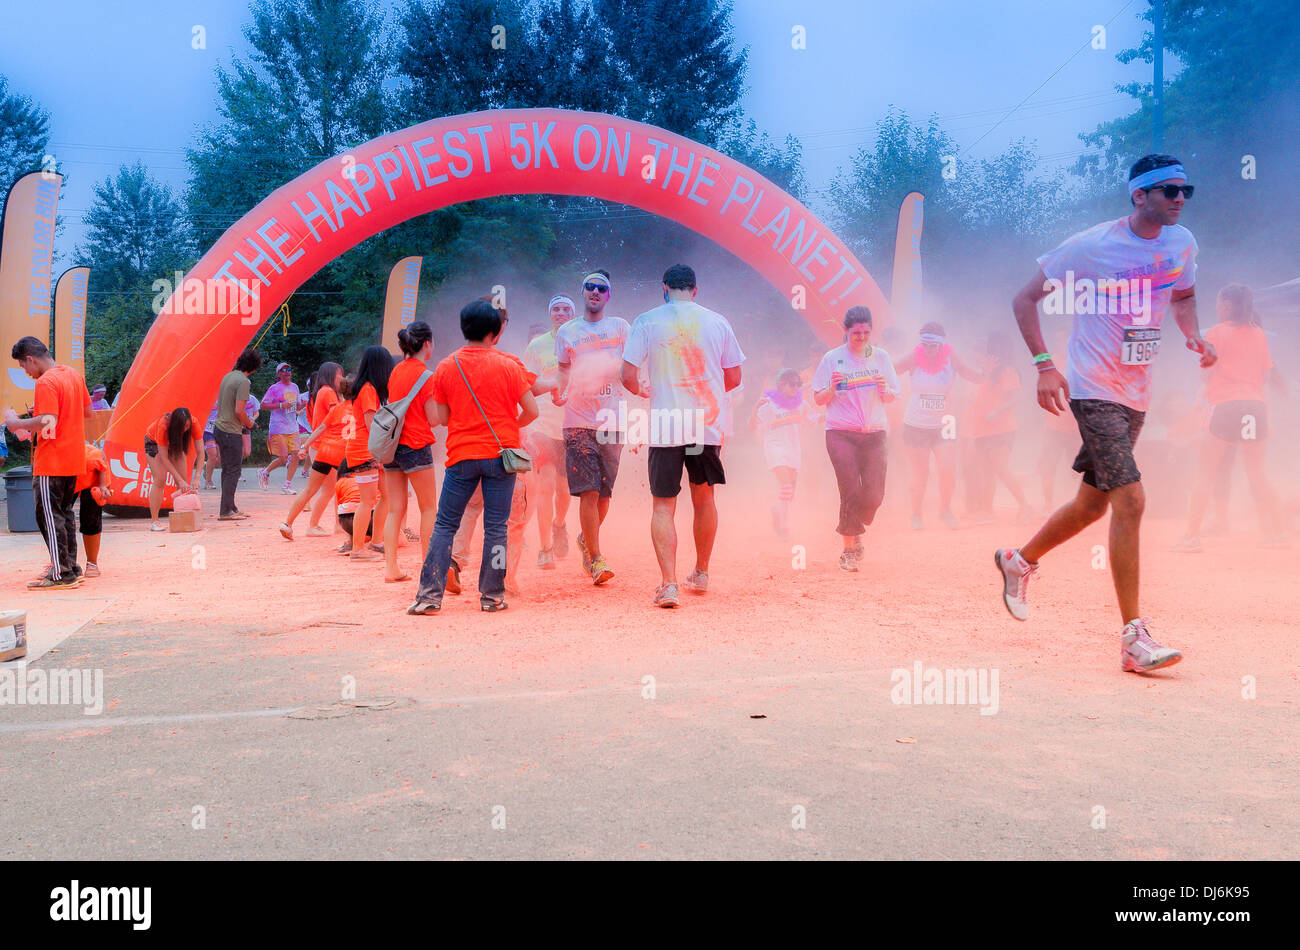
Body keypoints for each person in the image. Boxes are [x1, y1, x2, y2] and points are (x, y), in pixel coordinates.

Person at [996, 153, 1214, 674]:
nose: (1180, 198)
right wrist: (1046, 366)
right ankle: (1134, 641)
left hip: (1137, 392)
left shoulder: (1182, 244)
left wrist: (1192, 333)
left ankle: (1018, 560)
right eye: (1169, 190)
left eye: (1186, 190)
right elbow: (1025, 300)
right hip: (1093, 388)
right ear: (1139, 195)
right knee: (1132, 501)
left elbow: (1183, 296)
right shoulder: (1091, 246)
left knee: (1091, 506)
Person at [620, 263, 745, 607]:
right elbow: (734, 377)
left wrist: (646, 390)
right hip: (706, 423)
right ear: (695, 289)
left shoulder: (646, 321)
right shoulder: (717, 321)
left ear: (664, 288)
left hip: (666, 423)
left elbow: (626, 375)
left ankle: (669, 584)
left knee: (663, 504)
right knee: (704, 500)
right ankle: (701, 572)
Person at [408, 300, 538, 614]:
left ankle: (428, 596)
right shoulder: (508, 365)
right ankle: (492, 596)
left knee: (444, 526)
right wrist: (507, 426)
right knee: (497, 527)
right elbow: (532, 411)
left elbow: (440, 416)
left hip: (461, 455)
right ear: (495, 332)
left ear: (463, 329)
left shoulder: (446, 366)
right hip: (500, 456)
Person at [1175, 284, 1286, 551]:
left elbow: (1206, 373)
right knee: (1257, 474)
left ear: (1226, 304)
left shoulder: (1217, 333)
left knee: (1205, 473)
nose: (1215, 307)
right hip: (1254, 407)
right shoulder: (1259, 334)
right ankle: (1276, 534)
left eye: (1217, 302)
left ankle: (1191, 537)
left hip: (1226, 406)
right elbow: (1266, 376)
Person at [554, 270, 630, 585]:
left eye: (601, 288)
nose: (595, 292)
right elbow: (562, 371)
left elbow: (633, 365)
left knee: (605, 493)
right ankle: (596, 559)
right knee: (589, 489)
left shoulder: (622, 328)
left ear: (608, 295)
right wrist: (560, 392)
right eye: (589, 287)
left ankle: (587, 539)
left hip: (612, 421)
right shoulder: (568, 332)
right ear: (583, 292)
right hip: (577, 421)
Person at [811, 306, 900, 572]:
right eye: (855, 332)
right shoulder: (833, 358)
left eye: (865, 332)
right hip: (840, 433)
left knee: (874, 495)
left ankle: (856, 527)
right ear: (846, 331)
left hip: (875, 434)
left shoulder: (880, 357)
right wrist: (831, 388)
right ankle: (848, 550)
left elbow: (892, 395)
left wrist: (885, 390)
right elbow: (817, 399)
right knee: (849, 489)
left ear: (871, 332)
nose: (861, 337)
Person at [4, 337, 92, 589]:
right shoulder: (73, 375)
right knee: (64, 514)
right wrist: (44, 412)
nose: (27, 373)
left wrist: (17, 424)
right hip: (74, 457)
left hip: (52, 459)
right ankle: (71, 567)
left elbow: (48, 421)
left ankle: (61, 573)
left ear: (30, 359)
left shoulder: (46, 381)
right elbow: (87, 412)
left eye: (23, 367)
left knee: (48, 517)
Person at [892, 322, 982, 530]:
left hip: (944, 423)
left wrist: (989, 371)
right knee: (921, 474)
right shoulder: (913, 357)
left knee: (947, 469)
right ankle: (916, 514)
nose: (929, 349)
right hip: (915, 424)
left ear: (942, 345)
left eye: (933, 345)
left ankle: (945, 510)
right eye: (925, 344)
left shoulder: (953, 358)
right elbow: (890, 371)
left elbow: (974, 376)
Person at [384, 322, 440, 583]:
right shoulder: (426, 375)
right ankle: (427, 567)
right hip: (416, 445)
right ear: (426, 344)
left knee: (395, 510)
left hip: (392, 445)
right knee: (429, 508)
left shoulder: (396, 371)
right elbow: (433, 418)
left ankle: (391, 568)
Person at [521, 296, 575, 568]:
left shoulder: (581, 339)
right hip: (542, 426)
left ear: (573, 313)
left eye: (567, 309)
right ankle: (545, 549)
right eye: (556, 309)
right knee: (545, 486)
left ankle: (559, 524)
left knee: (564, 490)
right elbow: (525, 384)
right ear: (550, 313)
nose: (561, 313)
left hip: (573, 426)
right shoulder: (537, 346)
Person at [964, 331, 1031, 525]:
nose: (987, 350)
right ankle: (987, 511)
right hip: (982, 428)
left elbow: (1016, 398)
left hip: (1001, 428)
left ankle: (1025, 505)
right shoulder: (987, 370)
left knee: (1001, 469)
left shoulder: (1007, 370)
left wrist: (997, 411)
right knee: (986, 471)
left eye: (991, 346)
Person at [279, 362, 348, 542]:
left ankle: (333, 524)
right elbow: (336, 419)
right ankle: (313, 524)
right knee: (324, 489)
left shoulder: (323, 392)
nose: (342, 377)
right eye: (340, 374)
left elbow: (324, 423)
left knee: (328, 488)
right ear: (332, 375)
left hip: (322, 445)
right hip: (326, 446)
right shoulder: (329, 392)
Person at [749, 368, 815, 539]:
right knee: (786, 486)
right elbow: (751, 425)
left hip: (793, 448)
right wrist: (756, 407)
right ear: (781, 384)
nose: (796, 388)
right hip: (775, 447)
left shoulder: (801, 404)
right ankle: (784, 528)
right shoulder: (769, 404)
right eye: (792, 384)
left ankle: (778, 509)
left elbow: (814, 419)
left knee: (790, 491)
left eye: (798, 384)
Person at [341, 346, 392, 563]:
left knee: (386, 496)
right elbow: (372, 425)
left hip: (369, 452)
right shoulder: (369, 390)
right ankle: (357, 550)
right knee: (368, 500)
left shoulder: (365, 388)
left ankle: (377, 540)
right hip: (365, 452)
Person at [214, 348, 263, 520]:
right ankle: (226, 511)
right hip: (230, 430)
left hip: (220, 428)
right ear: (254, 367)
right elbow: (239, 410)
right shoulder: (243, 381)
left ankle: (230, 507)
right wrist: (250, 424)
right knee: (233, 470)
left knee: (228, 470)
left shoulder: (228, 376)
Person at [143, 407, 203, 530]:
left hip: (175, 444)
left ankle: (183, 520)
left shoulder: (194, 422)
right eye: (183, 427)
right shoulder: (163, 426)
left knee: (184, 484)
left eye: (187, 427)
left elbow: (201, 452)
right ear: (175, 424)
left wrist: (197, 477)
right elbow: (164, 458)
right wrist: (179, 479)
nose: (185, 429)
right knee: (160, 479)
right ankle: (154, 521)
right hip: (154, 443)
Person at [258, 362, 303, 494]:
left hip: (293, 427)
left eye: (289, 369)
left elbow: (297, 405)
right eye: (283, 370)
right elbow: (263, 405)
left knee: (296, 455)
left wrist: (301, 405)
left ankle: (287, 484)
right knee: (283, 458)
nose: (287, 372)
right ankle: (265, 472)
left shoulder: (295, 387)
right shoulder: (274, 388)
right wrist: (281, 406)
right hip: (278, 427)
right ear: (278, 374)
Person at [74, 442, 111, 576]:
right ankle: (61, 562)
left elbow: (102, 465)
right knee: (59, 517)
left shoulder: (92, 455)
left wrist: (102, 486)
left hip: (95, 482)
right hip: (69, 480)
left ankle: (92, 563)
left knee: (91, 517)